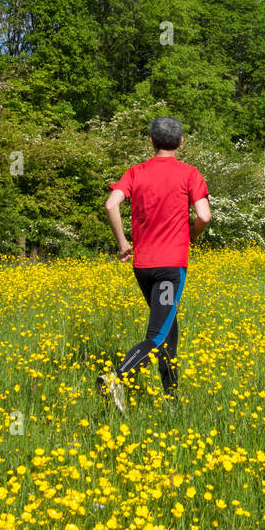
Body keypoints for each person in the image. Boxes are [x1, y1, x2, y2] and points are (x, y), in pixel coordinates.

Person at [99, 116, 211, 412]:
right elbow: (205, 216)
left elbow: (112, 204)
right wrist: (192, 235)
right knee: (158, 335)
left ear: (152, 141)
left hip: (143, 266)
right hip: (170, 268)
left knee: (169, 328)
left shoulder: (136, 172)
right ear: (181, 142)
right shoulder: (190, 174)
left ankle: (172, 399)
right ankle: (116, 378)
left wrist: (123, 243)